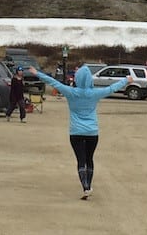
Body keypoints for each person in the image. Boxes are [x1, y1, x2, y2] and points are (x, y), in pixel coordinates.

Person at [28, 64, 127, 199]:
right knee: (89, 159)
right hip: (92, 132)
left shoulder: (71, 92)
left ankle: (85, 187)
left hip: (76, 132)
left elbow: (53, 82)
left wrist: (37, 73)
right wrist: (126, 80)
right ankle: (89, 186)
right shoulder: (95, 93)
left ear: (77, 79)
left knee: (81, 160)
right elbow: (111, 88)